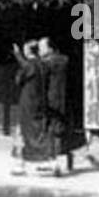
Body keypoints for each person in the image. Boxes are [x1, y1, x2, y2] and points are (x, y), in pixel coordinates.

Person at [11, 41, 45, 175]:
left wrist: (17, 55)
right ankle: (37, 162)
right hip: (38, 102)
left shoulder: (31, 65)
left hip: (28, 102)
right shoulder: (42, 63)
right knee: (35, 133)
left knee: (23, 132)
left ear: (28, 51)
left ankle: (21, 164)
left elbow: (19, 78)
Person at [39, 36, 72, 176]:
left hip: (50, 100)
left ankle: (55, 163)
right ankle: (58, 162)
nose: (40, 50)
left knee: (51, 131)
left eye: (42, 47)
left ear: (50, 48)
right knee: (58, 131)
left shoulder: (47, 63)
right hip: (63, 99)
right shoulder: (64, 60)